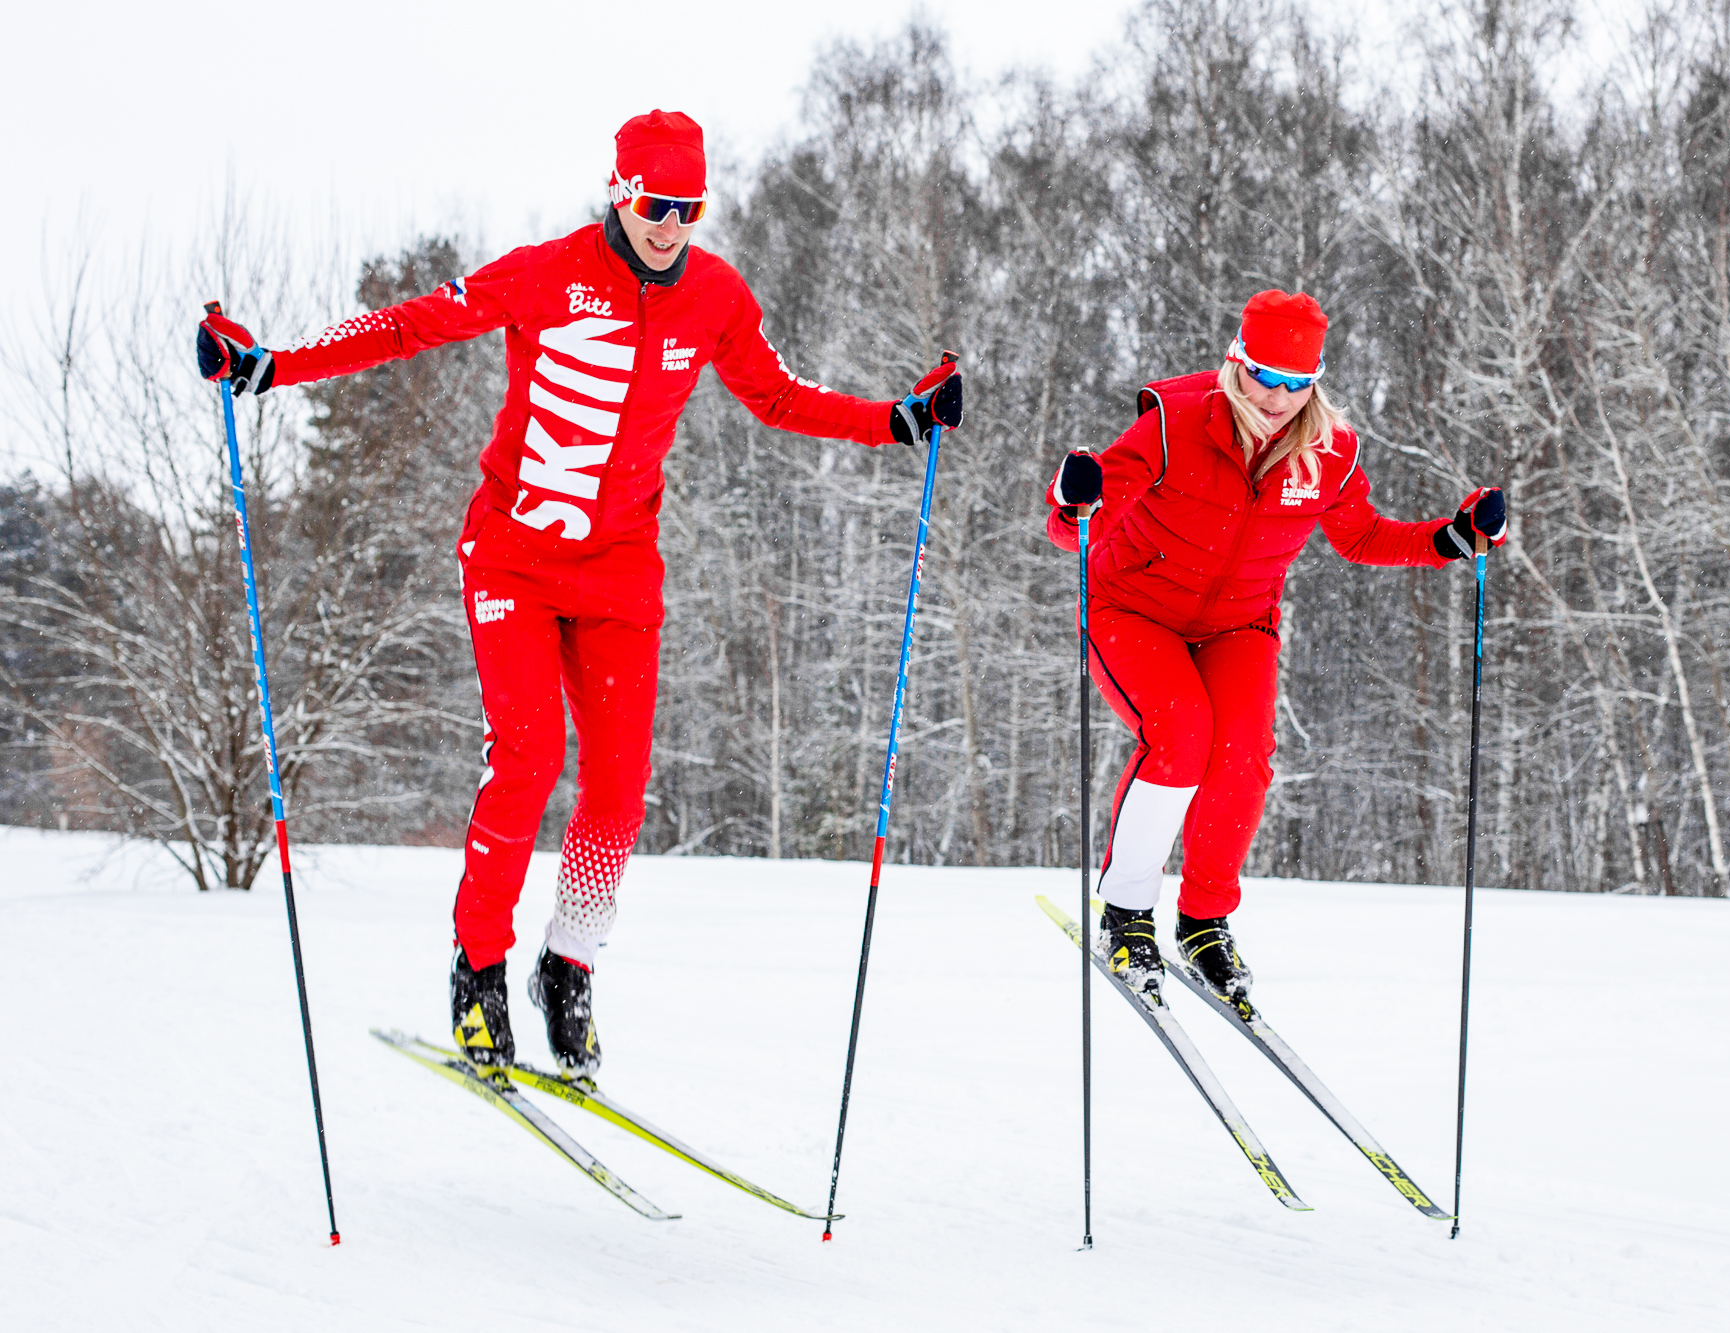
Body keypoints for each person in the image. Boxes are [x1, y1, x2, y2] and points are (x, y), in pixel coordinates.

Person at [197, 110, 963, 1077]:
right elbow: (409, 324)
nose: (670, 225)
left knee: (619, 787)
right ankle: (479, 966)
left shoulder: (715, 297)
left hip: (618, 569)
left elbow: (777, 395)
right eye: (655, 204)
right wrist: (271, 364)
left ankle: (569, 963)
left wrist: (896, 420)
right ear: (620, 192)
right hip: (513, 556)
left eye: (689, 208)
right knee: (529, 755)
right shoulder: (546, 272)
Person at [1043, 289, 1501, 1015]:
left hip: (1237, 624)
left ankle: (1203, 921)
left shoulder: (1330, 453)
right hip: (1131, 608)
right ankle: (1126, 914)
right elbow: (1077, 527)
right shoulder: (1173, 422)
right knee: (1181, 736)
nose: (1277, 398)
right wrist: (1075, 500)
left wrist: (1451, 537)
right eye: (1263, 377)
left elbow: (1361, 536)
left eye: (1296, 384)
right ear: (1236, 363)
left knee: (1244, 754)